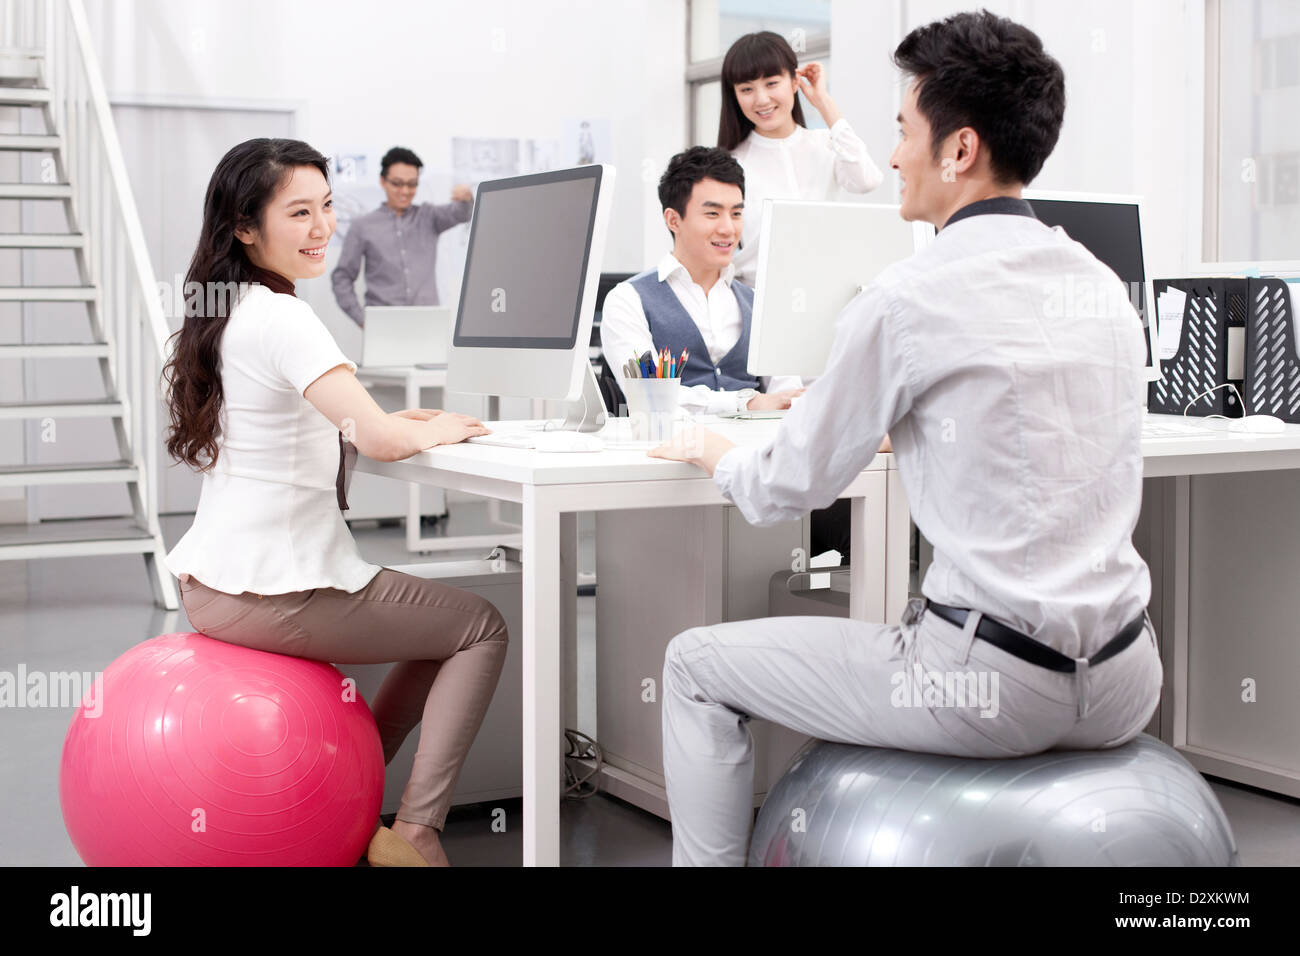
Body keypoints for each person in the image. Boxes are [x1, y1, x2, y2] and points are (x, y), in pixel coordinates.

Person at [650, 11, 1163, 866]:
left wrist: (720, 453)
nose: (892, 157)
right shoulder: (1102, 285)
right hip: (1125, 678)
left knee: (693, 663)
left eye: (904, 132)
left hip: (989, 686)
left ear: (957, 150)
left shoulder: (906, 296)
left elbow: (792, 484)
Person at [163, 138, 502, 867]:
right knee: (480, 626)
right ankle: (414, 827)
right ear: (245, 229)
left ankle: (350, 786)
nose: (322, 228)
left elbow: (322, 423)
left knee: (436, 629)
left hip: (212, 584)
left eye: (327, 209)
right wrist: (424, 425)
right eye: (299, 213)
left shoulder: (233, 310)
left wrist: (392, 426)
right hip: (270, 592)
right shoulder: (286, 318)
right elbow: (375, 440)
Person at [599, 146, 804, 417]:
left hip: (756, 453)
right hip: (670, 453)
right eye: (712, 213)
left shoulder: (760, 303)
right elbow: (649, 398)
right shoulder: (627, 300)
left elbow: (787, 395)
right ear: (674, 220)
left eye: (736, 213)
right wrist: (745, 403)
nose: (728, 229)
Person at [719, 31, 885, 284]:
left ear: (795, 82)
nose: (761, 99)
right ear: (735, 96)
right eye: (746, 89)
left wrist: (824, 103)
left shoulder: (826, 144)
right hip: (758, 295)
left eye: (772, 83)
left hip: (828, 289)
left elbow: (867, 180)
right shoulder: (732, 163)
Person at [331, 145, 473, 326]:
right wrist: (361, 319)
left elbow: (462, 214)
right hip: (383, 325)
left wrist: (466, 198)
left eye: (412, 184)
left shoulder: (429, 216)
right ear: (383, 181)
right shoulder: (362, 226)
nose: (405, 191)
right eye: (397, 183)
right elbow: (342, 277)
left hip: (427, 323)